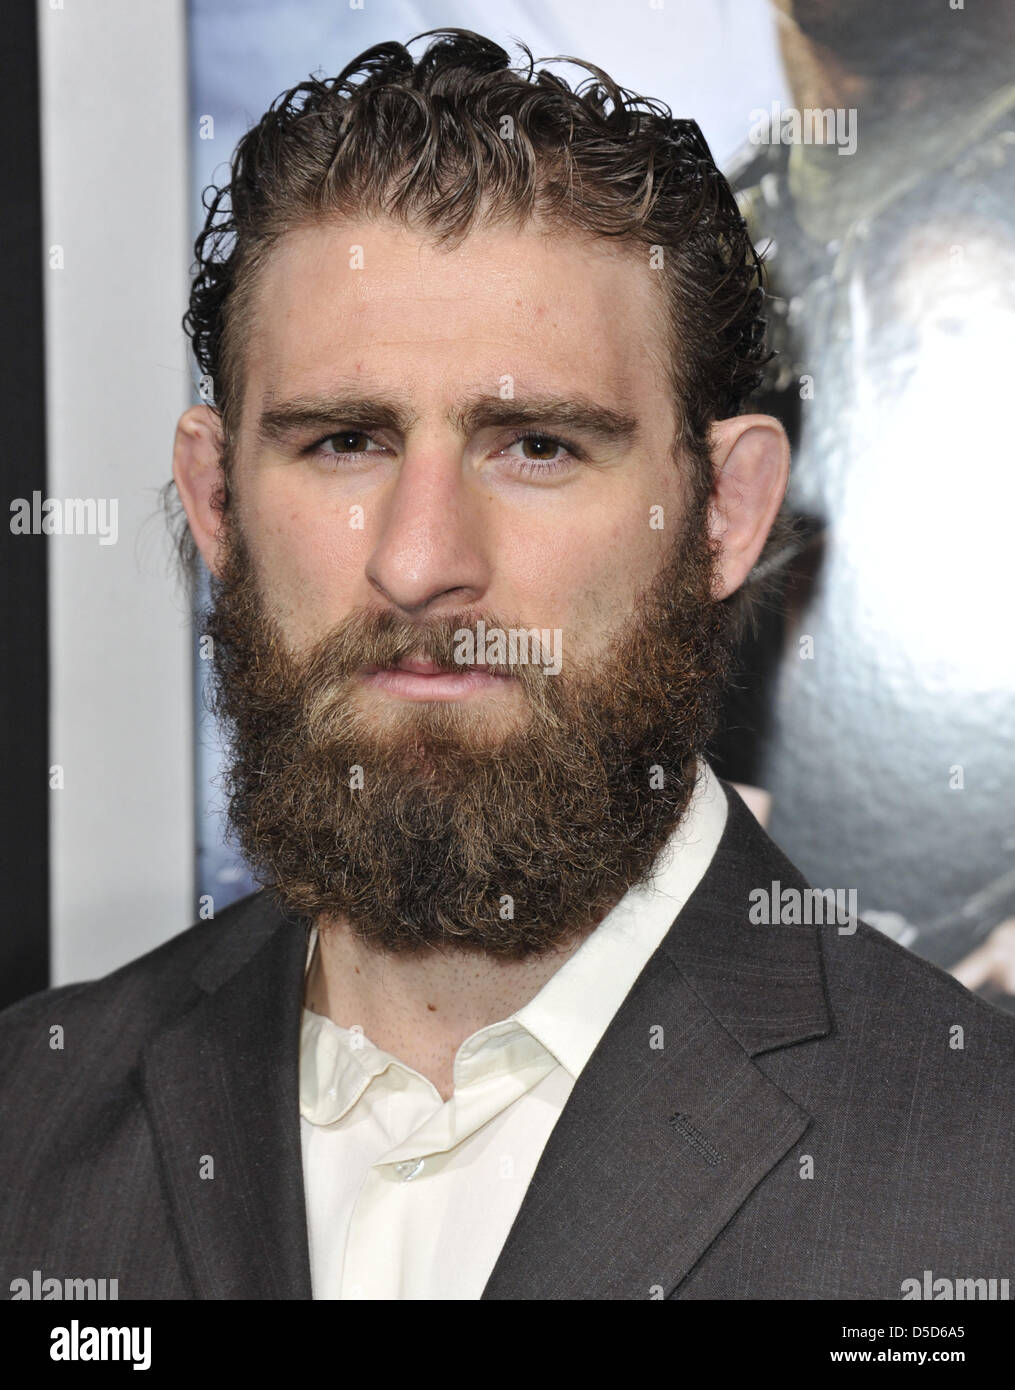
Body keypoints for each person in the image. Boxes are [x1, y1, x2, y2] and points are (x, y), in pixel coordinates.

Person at [2, 28, 1013, 1302]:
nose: (421, 563)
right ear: (212, 499)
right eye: (344, 441)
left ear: (725, 517)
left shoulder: (982, 1175)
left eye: (536, 445)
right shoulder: (27, 1129)